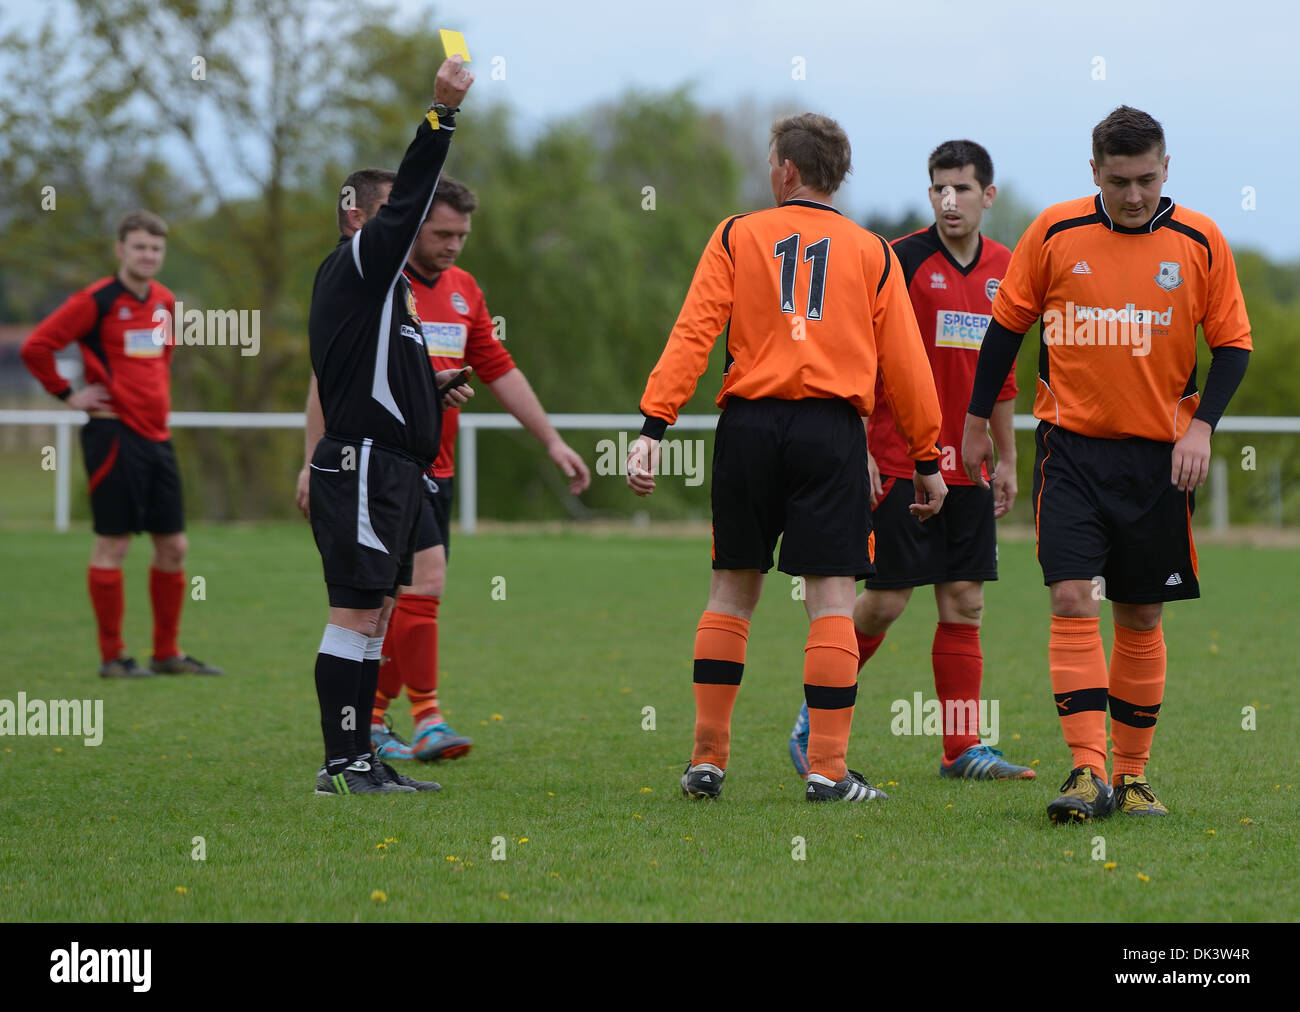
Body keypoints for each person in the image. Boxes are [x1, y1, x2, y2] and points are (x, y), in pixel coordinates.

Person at [627, 113, 946, 803]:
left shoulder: (737, 234)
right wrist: (927, 459)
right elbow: (907, 366)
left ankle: (707, 761)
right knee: (830, 596)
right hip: (830, 432)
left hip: (747, 426)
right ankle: (828, 771)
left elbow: (694, 332)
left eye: (772, 160)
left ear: (787, 171)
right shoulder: (872, 252)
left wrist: (654, 425)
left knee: (732, 591)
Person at [961, 106, 1252, 823]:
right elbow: (1005, 331)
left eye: (1146, 179)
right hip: (1072, 454)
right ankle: (1087, 772)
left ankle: (1133, 775)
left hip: (1158, 462)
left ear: (1166, 168)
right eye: (1118, 181)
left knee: (1142, 613)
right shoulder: (1056, 232)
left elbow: (1234, 345)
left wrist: (1202, 430)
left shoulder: (1200, 240)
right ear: (1094, 173)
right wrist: (976, 426)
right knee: (1070, 598)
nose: (1132, 195)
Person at [296, 175, 591, 763]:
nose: (454, 244)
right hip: (377, 467)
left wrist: (552, 441)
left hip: (431, 469)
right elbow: (327, 382)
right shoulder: (374, 278)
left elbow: (499, 368)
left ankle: (373, 724)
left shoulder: (462, 290)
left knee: (400, 600)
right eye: (442, 231)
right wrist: (313, 461)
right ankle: (421, 719)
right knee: (416, 588)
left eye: (463, 234)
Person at [787, 140, 1035, 781]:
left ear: (989, 195)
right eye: (938, 188)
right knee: (888, 599)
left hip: (970, 466)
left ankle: (962, 749)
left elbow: (1000, 375)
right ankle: (817, 711)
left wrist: (1007, 458)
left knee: (964, 602)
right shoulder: (896, 261)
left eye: (962, 188)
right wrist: (864, 447)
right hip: (901, 458)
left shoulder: (1007, 269)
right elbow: (862, 359)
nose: (949, 200)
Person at [305, 55, 473, 796]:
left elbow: (376, 376)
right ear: (358, 217)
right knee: (353, 615)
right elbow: (407, 204)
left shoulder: (387, 295)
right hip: (364, 467)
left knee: (374, 617)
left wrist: (430, 387)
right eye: (395, 210)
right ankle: (341, 764)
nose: (407, 222)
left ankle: (363, 759)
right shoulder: (358, 263)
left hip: (394, 468)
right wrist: (441, 115)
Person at [21, 210, 221, 679]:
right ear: (121, 250)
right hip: (113, 435)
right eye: (139, 247)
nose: (148, 255)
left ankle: (166, 654)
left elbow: (161, 357)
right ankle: (113, 657)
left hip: (158, 438)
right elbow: (36, 347)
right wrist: (70, 395)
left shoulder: (166, 301)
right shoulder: (96, 300)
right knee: (113, 545)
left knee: (173, 546)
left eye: (156, 248)